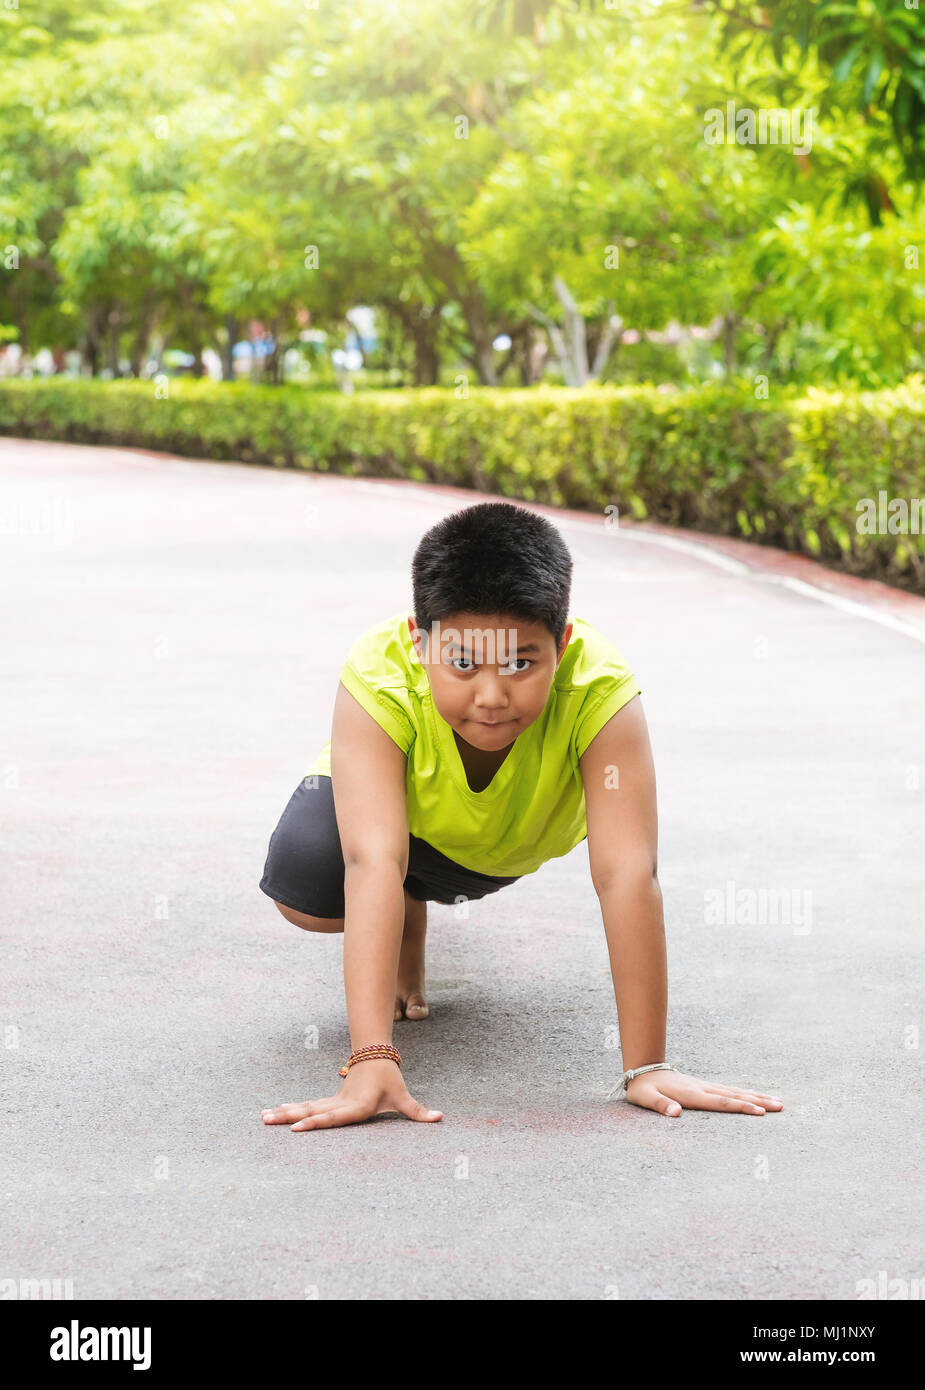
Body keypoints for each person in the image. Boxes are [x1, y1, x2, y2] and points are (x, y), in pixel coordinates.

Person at [258, 501, 784, 1131]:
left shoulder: (600, 688)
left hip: (503, 846)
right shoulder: (378, 673)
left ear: (562, 644)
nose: (490, 696)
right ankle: (406, 916)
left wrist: (647, 1067)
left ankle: (414, 902)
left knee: (417, 865)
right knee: (308, 879)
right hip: (392, 831)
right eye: (462, 664)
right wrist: (372, 1057)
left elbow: (627, 873)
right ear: (418, 640)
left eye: (520, 664)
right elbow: (373, 859)